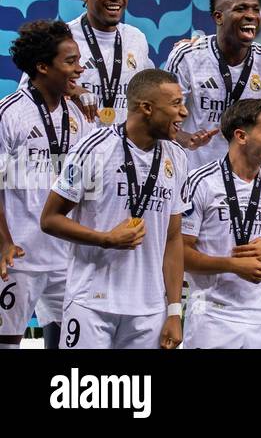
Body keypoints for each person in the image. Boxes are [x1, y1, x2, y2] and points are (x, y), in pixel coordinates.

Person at [40, 69, 189, 349]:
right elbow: (50, 219)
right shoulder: (95, 150)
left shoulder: (177, 158)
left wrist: (174, 311)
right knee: (85, 393)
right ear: (146, 107)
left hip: (149, 309)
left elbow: (173, 238)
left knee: (135, 393)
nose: (183, 113)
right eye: (176, 104)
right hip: (91, 302)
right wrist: (105, 239)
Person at [0, 21, 96, 348]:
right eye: (70, 62)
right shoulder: (10, 114)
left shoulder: (80, 117)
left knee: (68, 341)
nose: (80, 69)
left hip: (67, 257)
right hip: (19, 256)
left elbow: (88, 187)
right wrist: (3, 243)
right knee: (8, 339)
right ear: (42, 66)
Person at [180, 98, 261, 349]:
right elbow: (179, 253)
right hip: (211, 316)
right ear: (241, 136)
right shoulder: (201, 183)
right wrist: (232, 265)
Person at [166, 0, 261, 168]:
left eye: (255, 9)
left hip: (245, 178)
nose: (251, 15)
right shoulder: (188, 56)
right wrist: (188, 139)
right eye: (241, 9)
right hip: (194, 174)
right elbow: (164, 120)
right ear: (218, 17)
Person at [68, 0, 155, 125]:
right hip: (76, 147)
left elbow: (148, 91)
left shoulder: (136, 38)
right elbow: (32, 90)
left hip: (119, 147)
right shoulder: (63, 37)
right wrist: (71, 90)